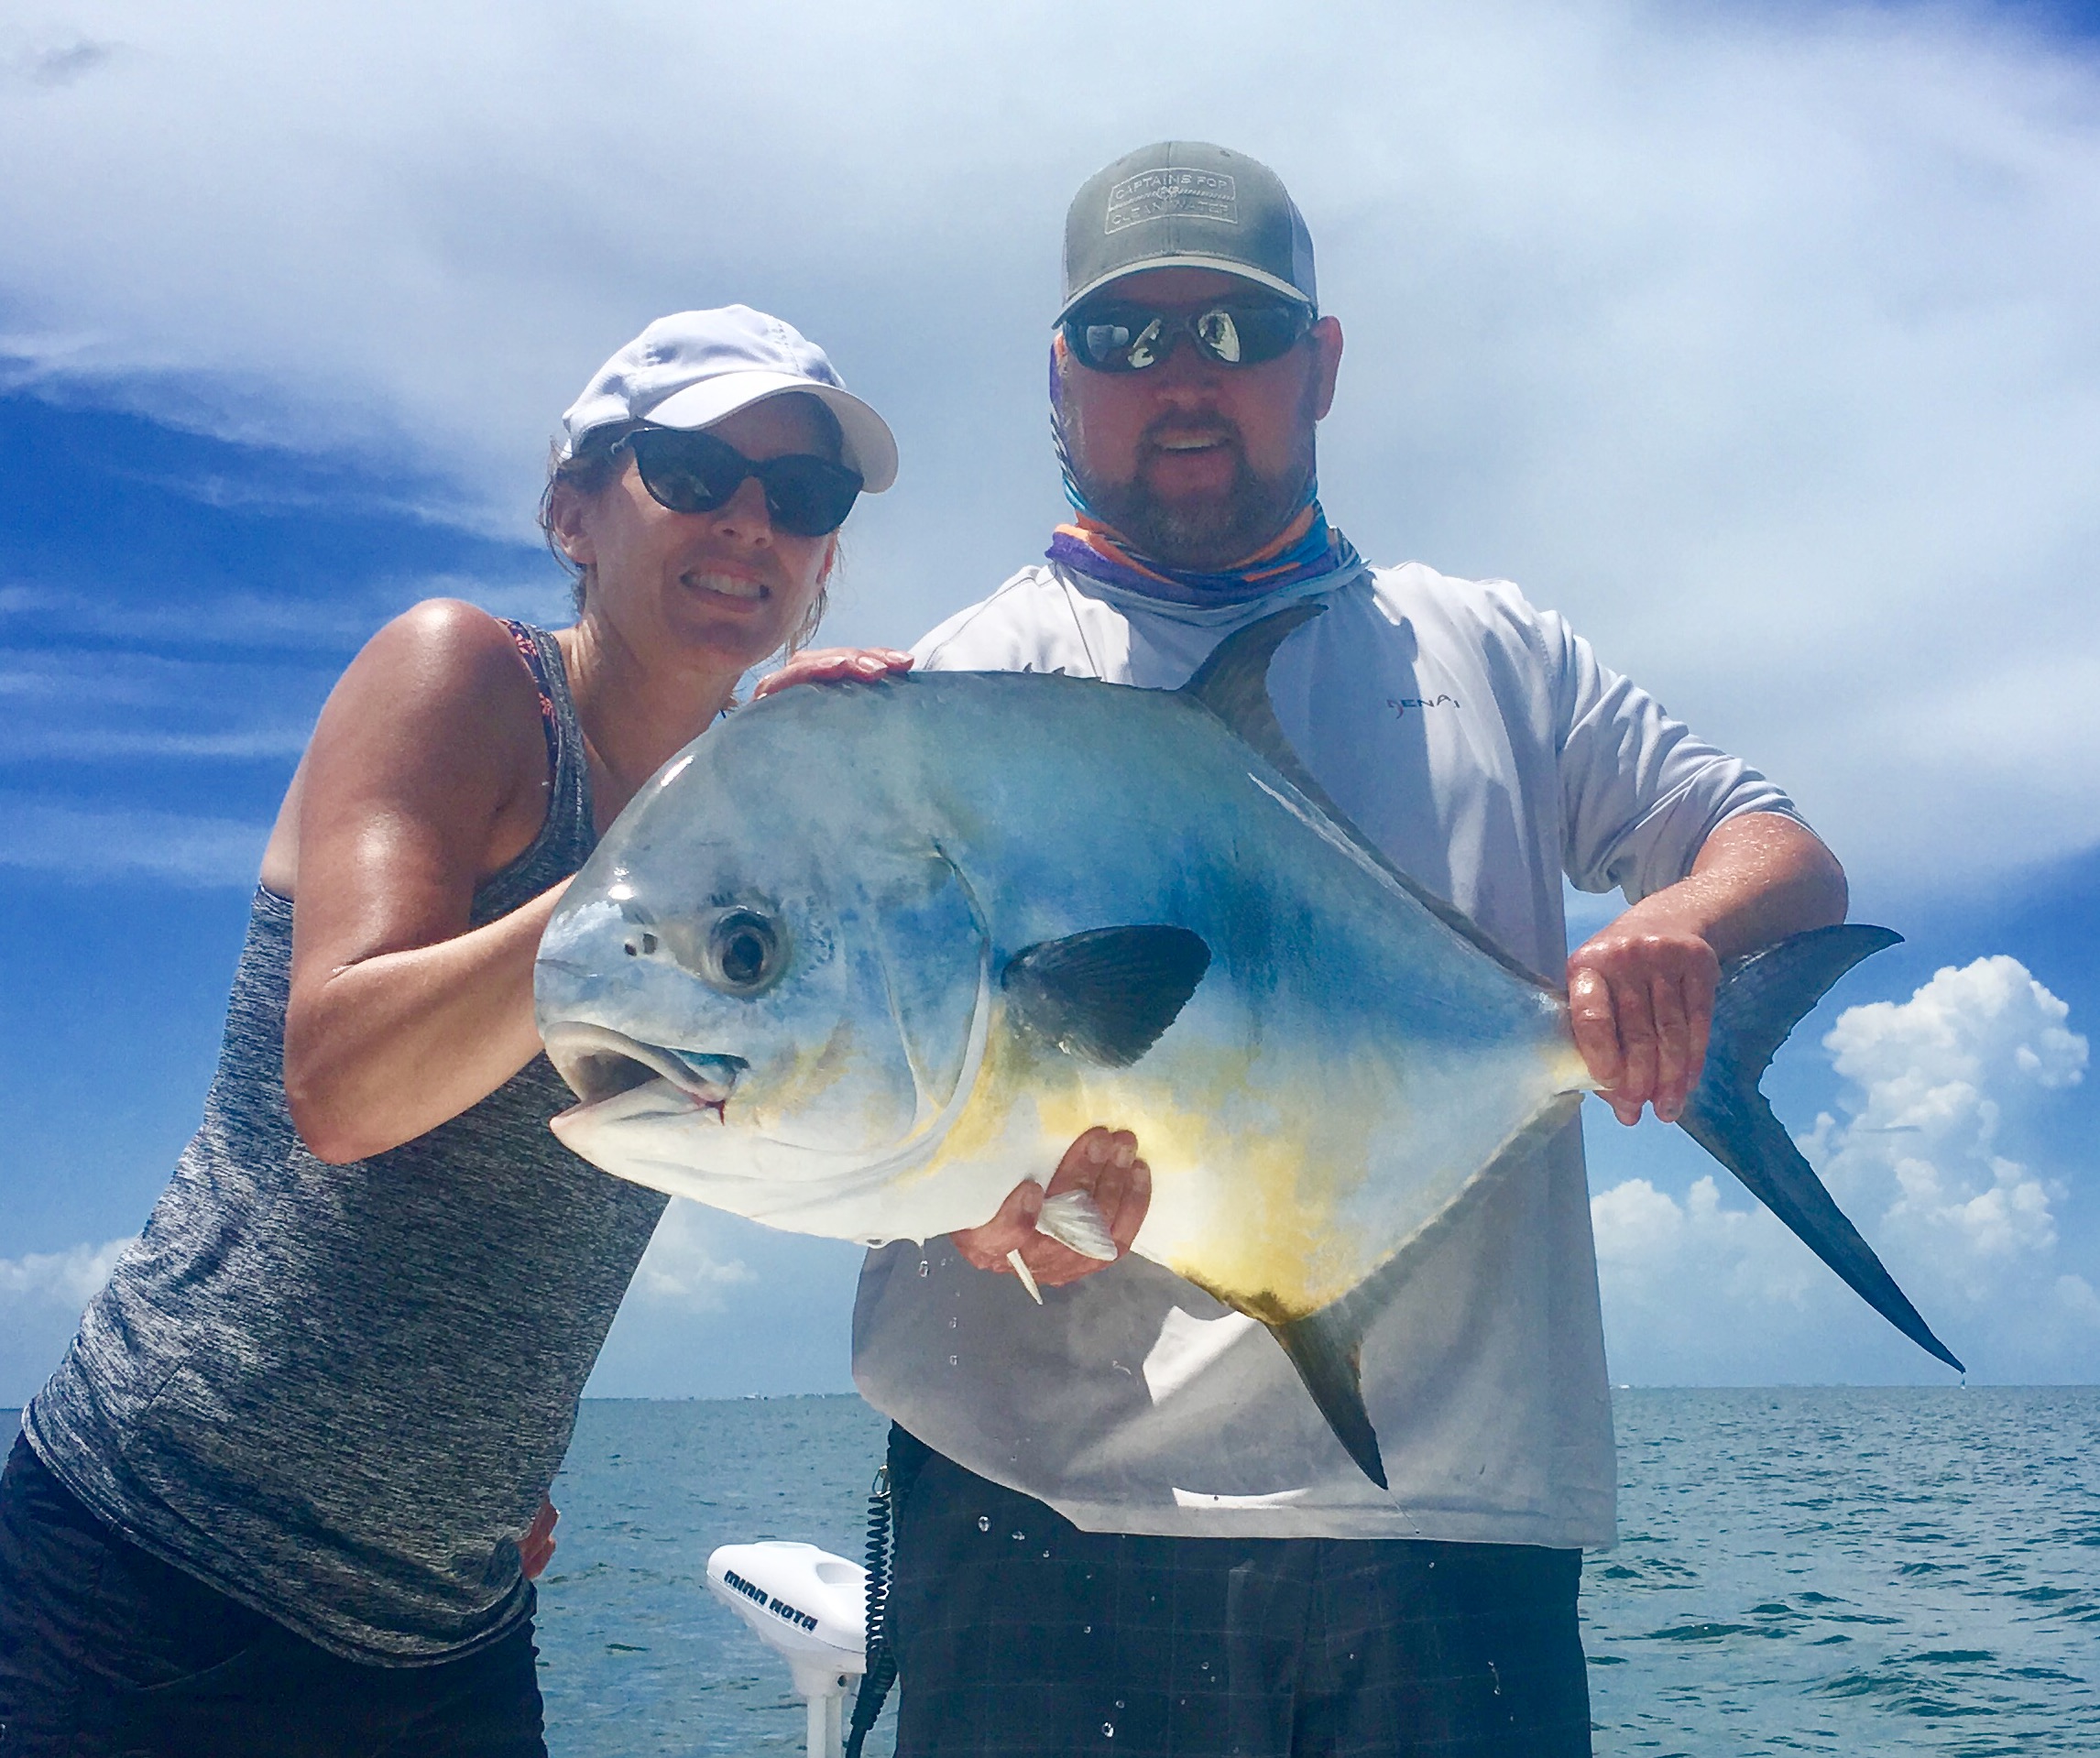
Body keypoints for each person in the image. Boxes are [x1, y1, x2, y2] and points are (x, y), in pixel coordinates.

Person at [768, 143, 1849, 1757]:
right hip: (1043, 1523)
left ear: (1322, 364)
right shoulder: (956, 694)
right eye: (1130, 338)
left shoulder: (1493, 654)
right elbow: (875, 1091)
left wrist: (1675, 929)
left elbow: (1781, 852)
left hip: (1451, 1530)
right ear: (1061, 380)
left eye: (1238, 331)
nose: (1183, 376)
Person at [0, 307, 899, 1757]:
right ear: (573, 508)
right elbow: (344, 1084)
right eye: (689, 471)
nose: (749, 522)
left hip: (450, 1625)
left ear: (823, 560)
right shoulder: (467, 681)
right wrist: (673, 853)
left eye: (800, 499)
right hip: (150, 1574)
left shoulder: (761, 839)